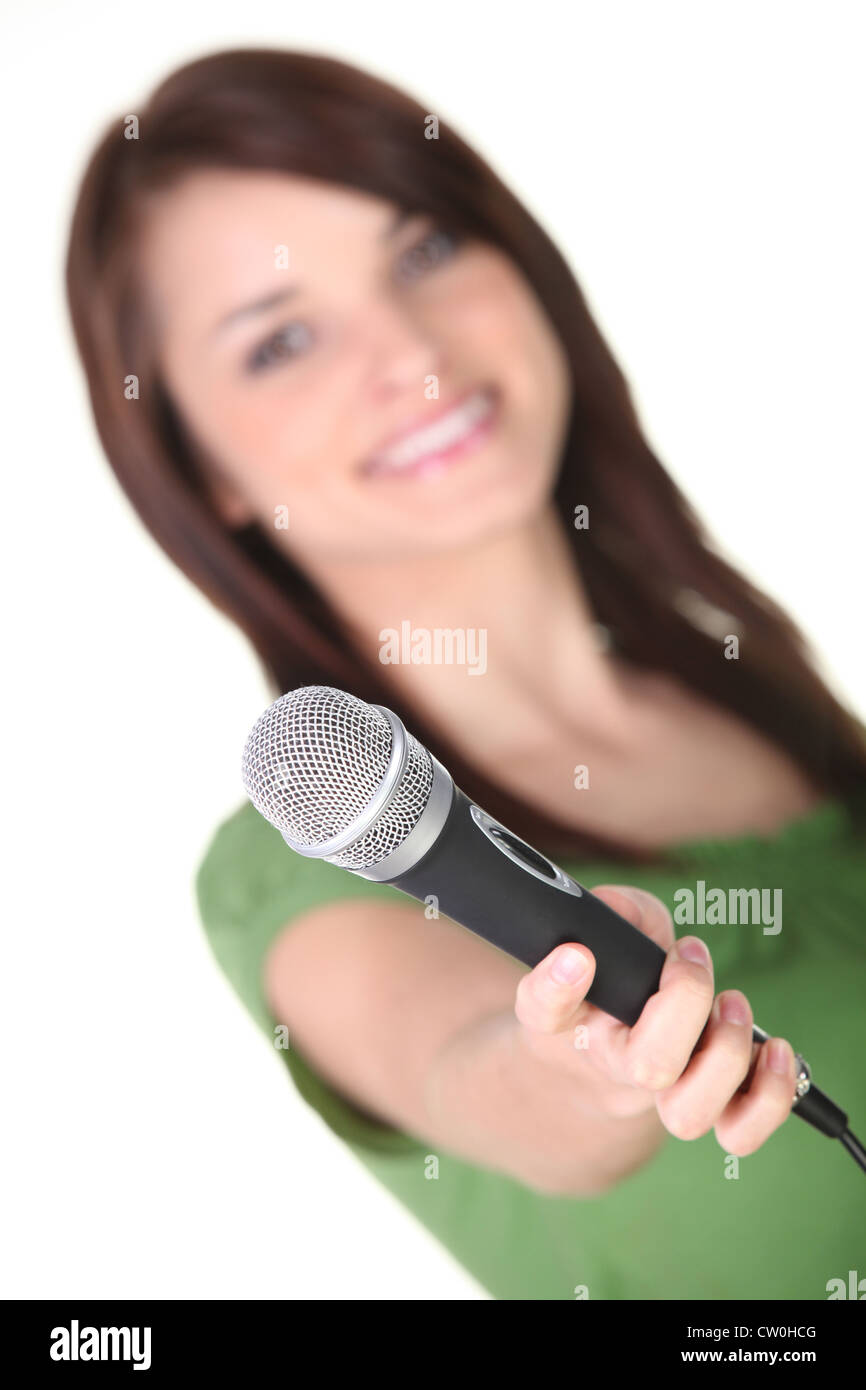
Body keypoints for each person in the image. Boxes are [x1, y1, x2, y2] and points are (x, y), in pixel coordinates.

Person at [65, 47, 866, 1301]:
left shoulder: (742, 673)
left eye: (423, 251)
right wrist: (579, 1061)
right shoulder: (291, 864)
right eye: (281, 341)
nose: (410, 350)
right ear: (201, 468)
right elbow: (470, 1067)